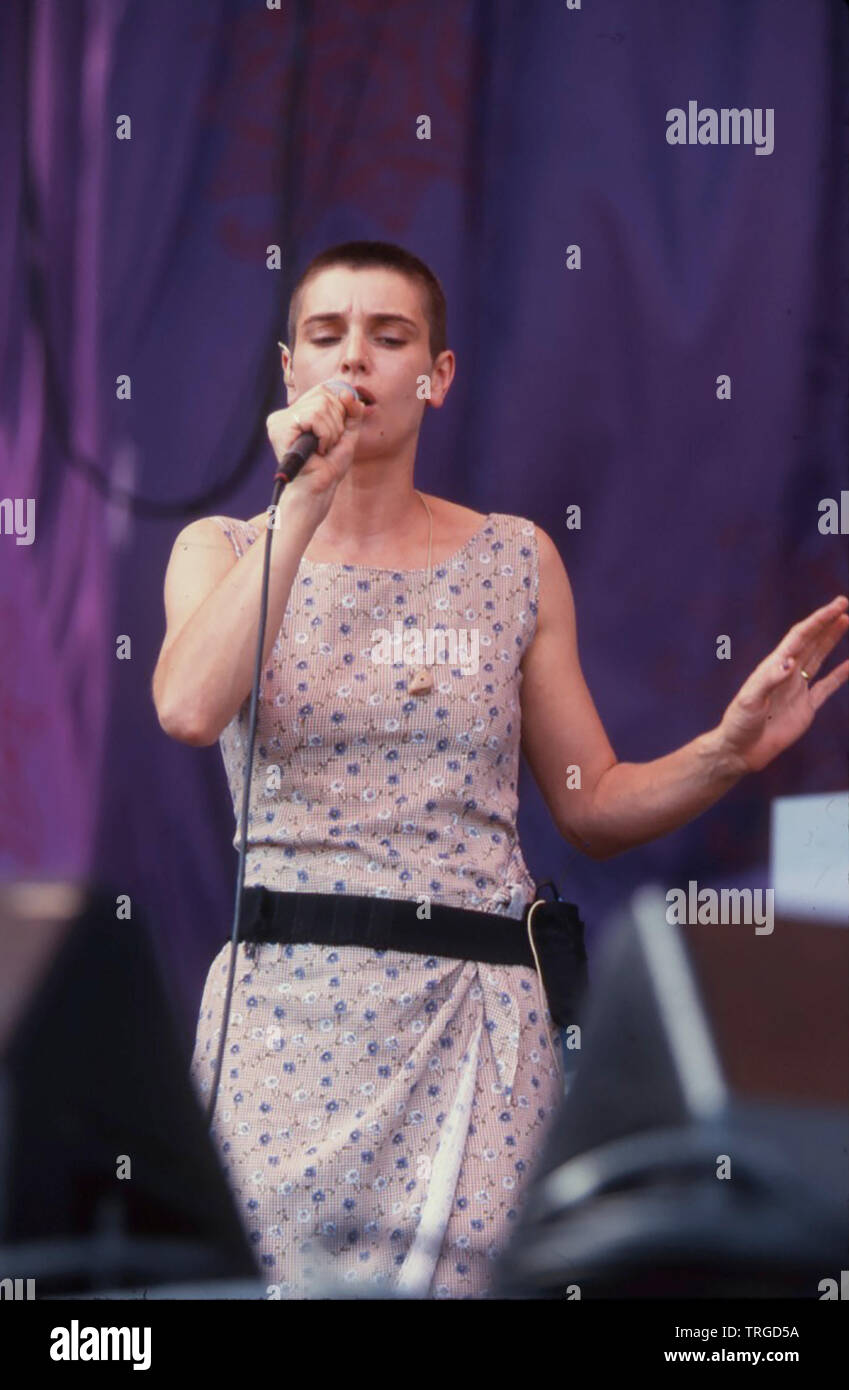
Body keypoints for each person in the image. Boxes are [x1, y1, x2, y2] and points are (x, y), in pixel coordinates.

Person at [152, 240, 848, 1299]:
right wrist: (305, 497)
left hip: (474, 1022)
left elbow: (594, 805)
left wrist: (726, 751)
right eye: (329, 338)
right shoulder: (223, 548)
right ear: (288, 371)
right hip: (282, 1026)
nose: (357, 364)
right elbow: (190, 707)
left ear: (438, 376)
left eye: (390, 339)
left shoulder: (515, 558)